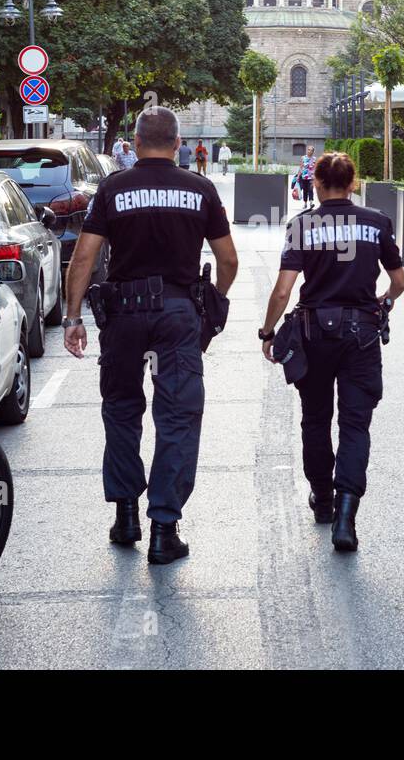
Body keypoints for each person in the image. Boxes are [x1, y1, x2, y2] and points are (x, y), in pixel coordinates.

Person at [63, 107, 239, 565]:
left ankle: (125, 516)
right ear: (178, 143)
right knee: (177, 416)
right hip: (178, 313)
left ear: (136, 144)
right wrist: (211, 306)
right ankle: (164, 528)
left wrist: (72, 317)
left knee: (121, 410)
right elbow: (228, 261)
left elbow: (83, 259)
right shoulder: (201, 189)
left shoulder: (113, 187)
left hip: (123, 313)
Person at [259, 152, 404, 551]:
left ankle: (322, 499)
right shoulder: (377, 222)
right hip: (362, 334)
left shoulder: (302, 225)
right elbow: (399, 281)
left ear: (318, 185)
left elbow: (284, 289)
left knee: (315, 419)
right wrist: (383, 303)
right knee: (355, 425)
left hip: (314, 334)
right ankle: (346, 515)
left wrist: (268, 332)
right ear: (353, 183)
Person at [297, 145, 317, 209]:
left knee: (310, 189)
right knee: (305, 191)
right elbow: (301, 167)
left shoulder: (314, 159)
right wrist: (298, 176)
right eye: (309, 150)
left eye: (311, 150)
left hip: (311, 177)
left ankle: (311, 203)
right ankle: (305, 203)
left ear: (313, 152)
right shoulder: (303, 158)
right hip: (304, 177)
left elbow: (315, 168)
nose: (310, 151)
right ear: (307, 150)